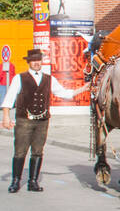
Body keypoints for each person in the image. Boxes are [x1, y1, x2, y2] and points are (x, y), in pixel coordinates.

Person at [1, 48, 89, 193]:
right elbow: (9, 98)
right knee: (20, 151)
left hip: (42, 121)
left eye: (38, 60)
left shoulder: (49, 79)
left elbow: (63, 93)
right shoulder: (20, 78)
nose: (36, 63)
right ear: (29, 62)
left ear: (41, 62)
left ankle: (33, 182)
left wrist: (82, 89)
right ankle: (16, 181)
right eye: (34, 60)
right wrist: (6, 117)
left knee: (38, 151)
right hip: (24, 120)